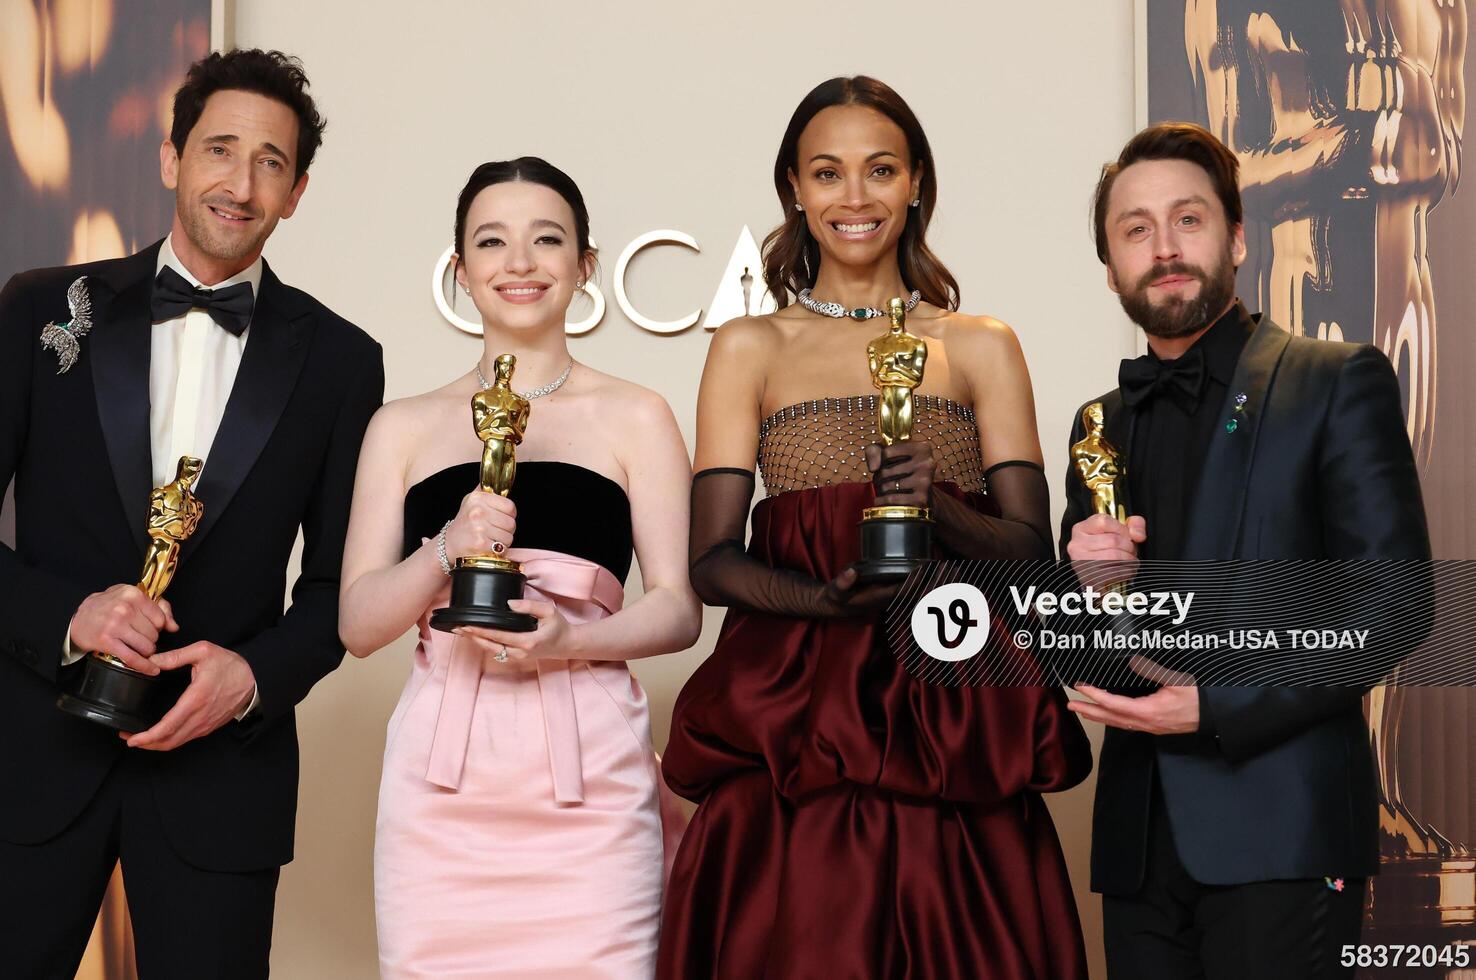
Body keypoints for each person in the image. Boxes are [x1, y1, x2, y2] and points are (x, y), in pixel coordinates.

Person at [658, 76, 1092, 979]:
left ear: (917, 183)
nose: (854, 198)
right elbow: (710, 560)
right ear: (794, 188)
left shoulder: (982, 344)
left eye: (879, 170)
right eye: (827, 173)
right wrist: (826, 599)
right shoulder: (749, 348)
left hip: (955, 712)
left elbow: (1030, 553)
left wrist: (940, 510)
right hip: (796, 715)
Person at [0, 49, 384, 977]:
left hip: (222, 782)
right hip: (33, 761)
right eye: (219, 149)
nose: (240, 184)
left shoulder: (341, 361)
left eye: (271, 162)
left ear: (296, 192)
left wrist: (250, 677)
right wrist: (70, 617)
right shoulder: (43, 308)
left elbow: (341, 586)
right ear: (171, 157)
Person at [1061, 122, 1431, 979]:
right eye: (1135, 230)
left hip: (1284, 832)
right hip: (1137, 848)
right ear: (1111, 265)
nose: (1164, 248)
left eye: (1187, 220)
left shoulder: (1335, 380)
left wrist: (1222, 703)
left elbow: (1396, 603)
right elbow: (1085, 652)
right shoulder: (1097, 426)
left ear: (1235, 236)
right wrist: (1084, 588)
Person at [339, 157, 698, 979]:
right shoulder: (402, 426)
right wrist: (443, 549)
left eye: (547, 239)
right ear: (461, 272)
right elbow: (358, 624)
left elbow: (679, 608)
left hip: (592, 774)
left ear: (585, 265)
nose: (521, 262)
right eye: (492, 242)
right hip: (441, 783)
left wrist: (571, 638)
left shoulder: (637, 415)